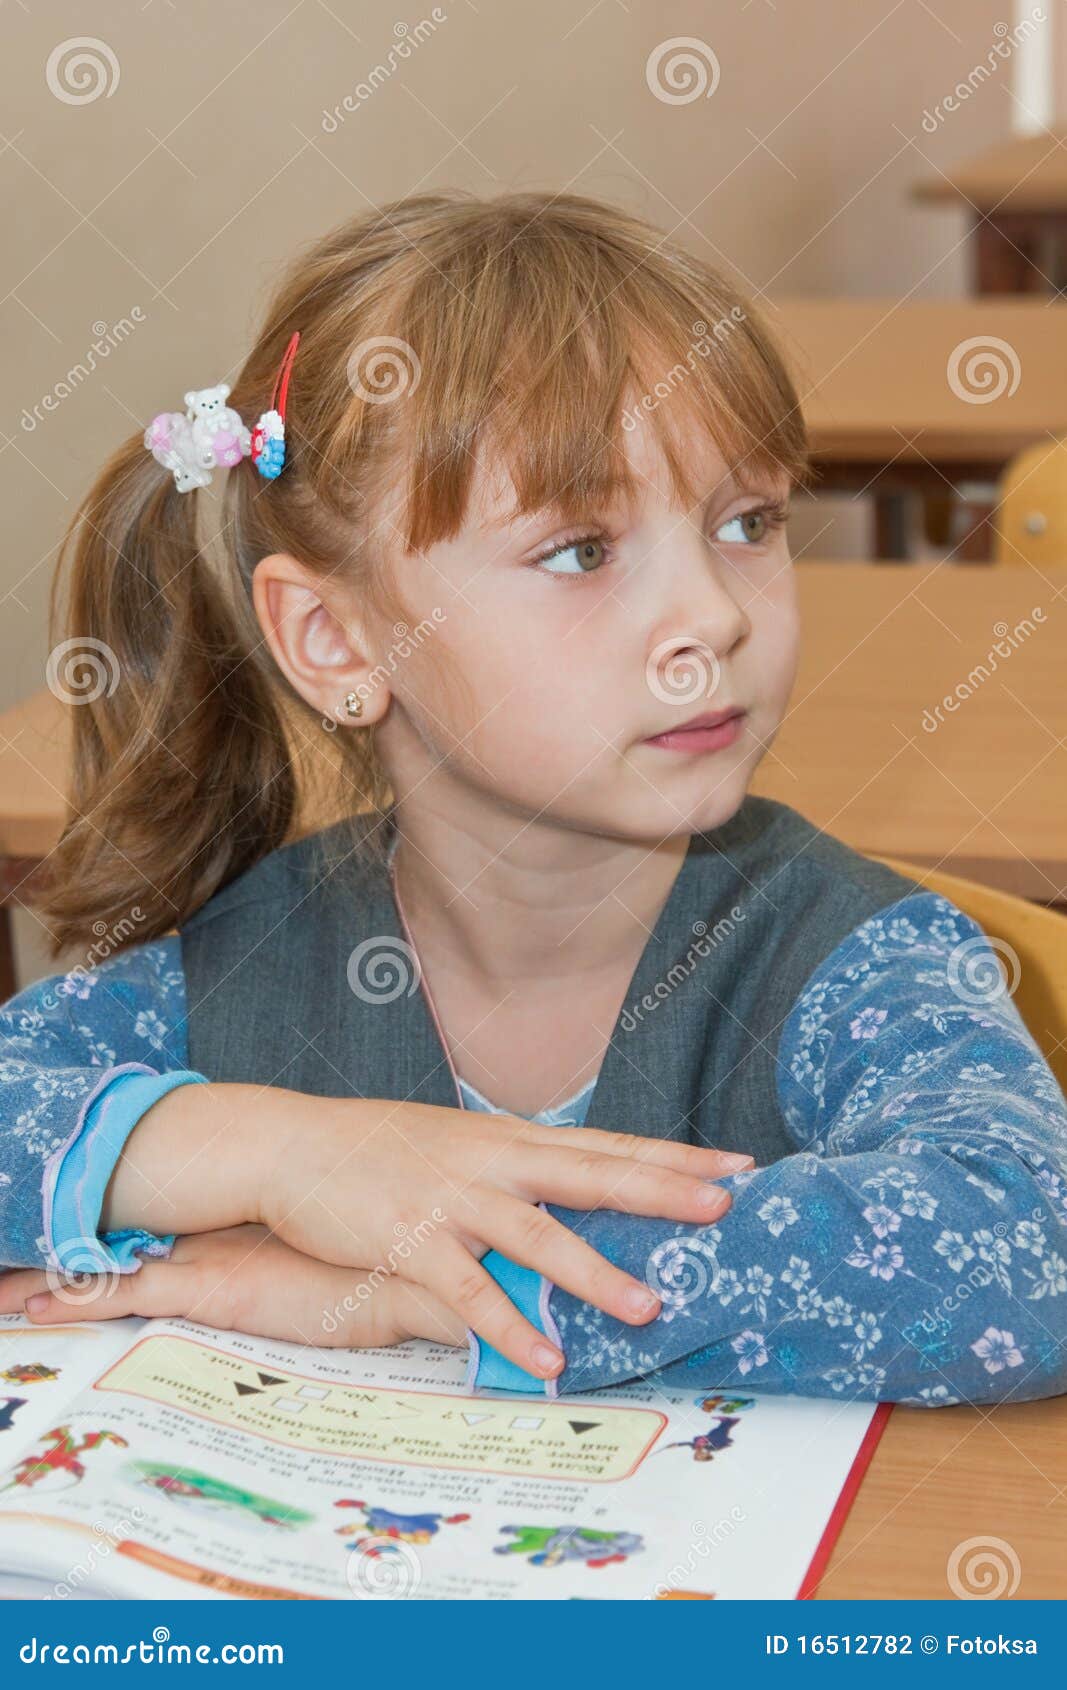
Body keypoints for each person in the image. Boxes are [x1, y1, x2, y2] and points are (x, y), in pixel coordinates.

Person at [2, 192, 1065, 1410]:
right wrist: (288, 1154)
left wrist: (418, 1283)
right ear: (336, 638)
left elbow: (1019, 1256)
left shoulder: (850, 958)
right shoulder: (242, 965)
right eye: (581, 551)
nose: (713, 616)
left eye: (747, 522)